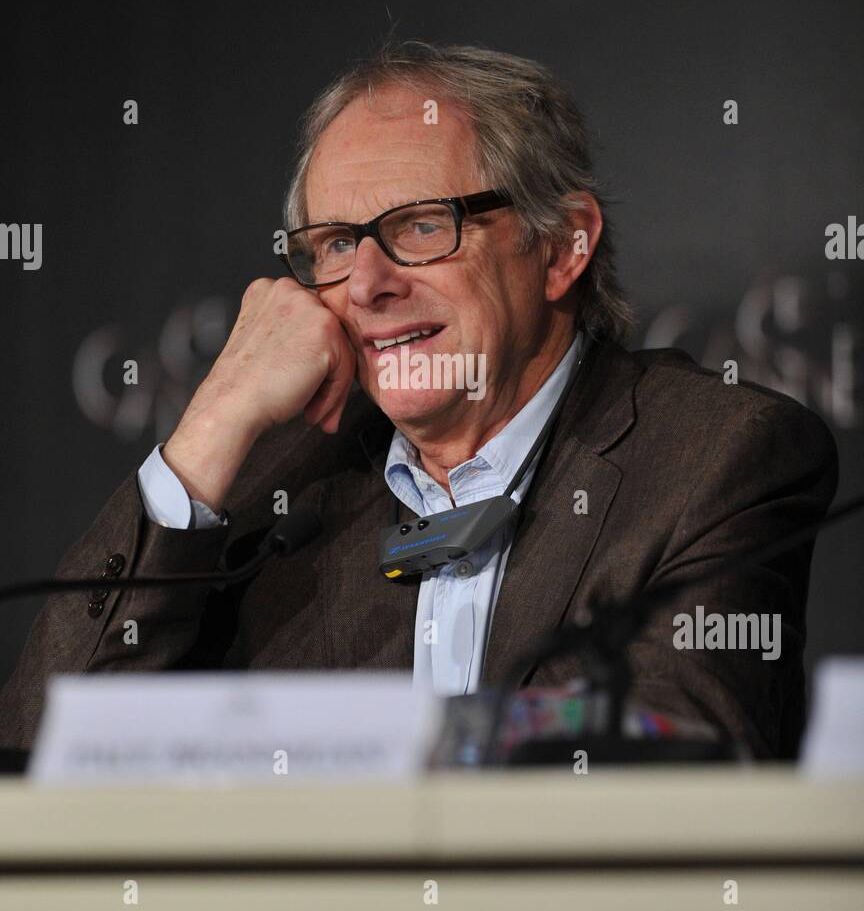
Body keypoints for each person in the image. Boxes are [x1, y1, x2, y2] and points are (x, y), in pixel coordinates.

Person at [0, 41, 838, 756]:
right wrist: (215, 422)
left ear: (561, 248)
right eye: (332, 244)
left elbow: (677, 751)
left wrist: (355, 749)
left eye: (421, 227)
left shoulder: (714, 457)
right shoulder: (277, 489)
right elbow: (44, 752)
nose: (366, 283)